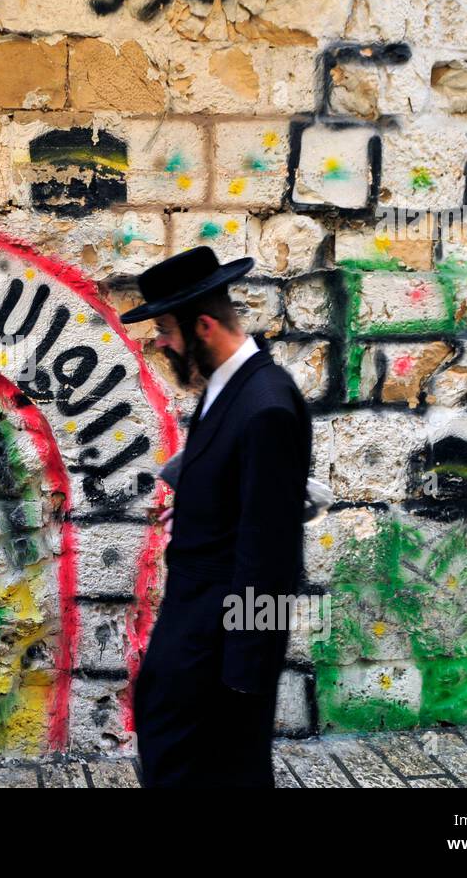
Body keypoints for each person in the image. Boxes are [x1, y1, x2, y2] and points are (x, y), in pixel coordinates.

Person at [121, 246, 311, 788]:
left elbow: (270, 555)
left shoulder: (266, 405)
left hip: (220, 645)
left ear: (202, 326)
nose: (161, 342)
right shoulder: (228, 390)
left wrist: (244, 677)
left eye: (165, 329)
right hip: (195, 625)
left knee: (210, 770)